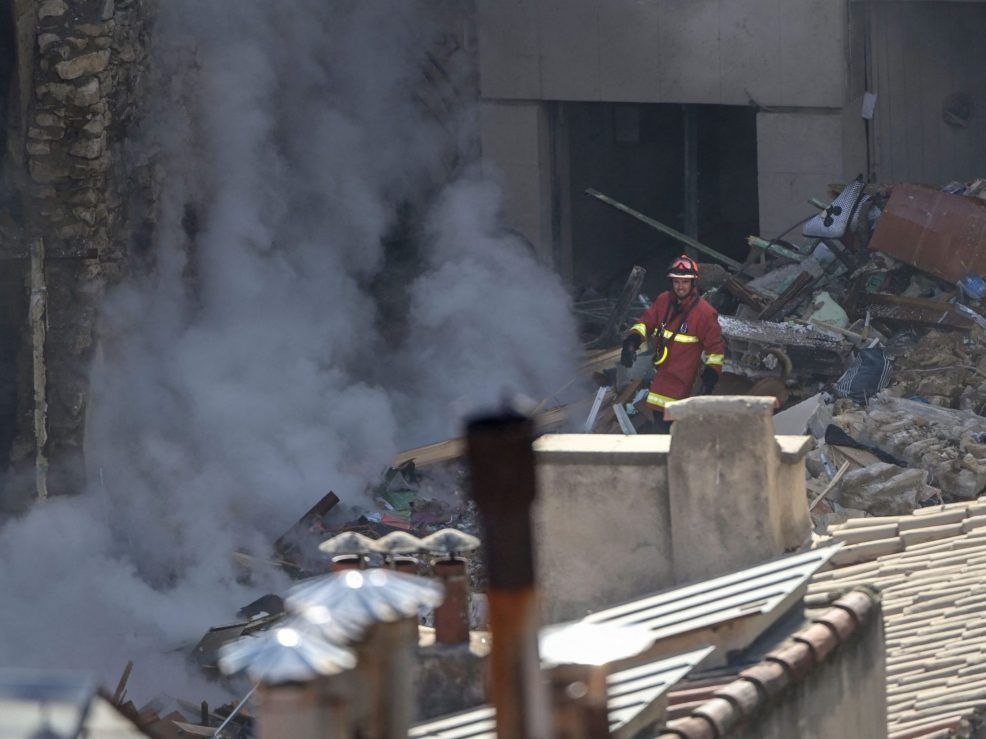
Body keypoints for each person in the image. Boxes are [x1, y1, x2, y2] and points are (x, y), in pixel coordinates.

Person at [620, 254, 725, 432]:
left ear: (693, 283)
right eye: (676, 282)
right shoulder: (663, 301)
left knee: (671, 432)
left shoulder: (704, 313)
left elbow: (716, 350)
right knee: (661, 426)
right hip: (663, 377)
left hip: (684, 382)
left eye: (684, 282)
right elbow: (646, 323)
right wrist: (632, 342)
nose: (680, 286)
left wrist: (709, 380)